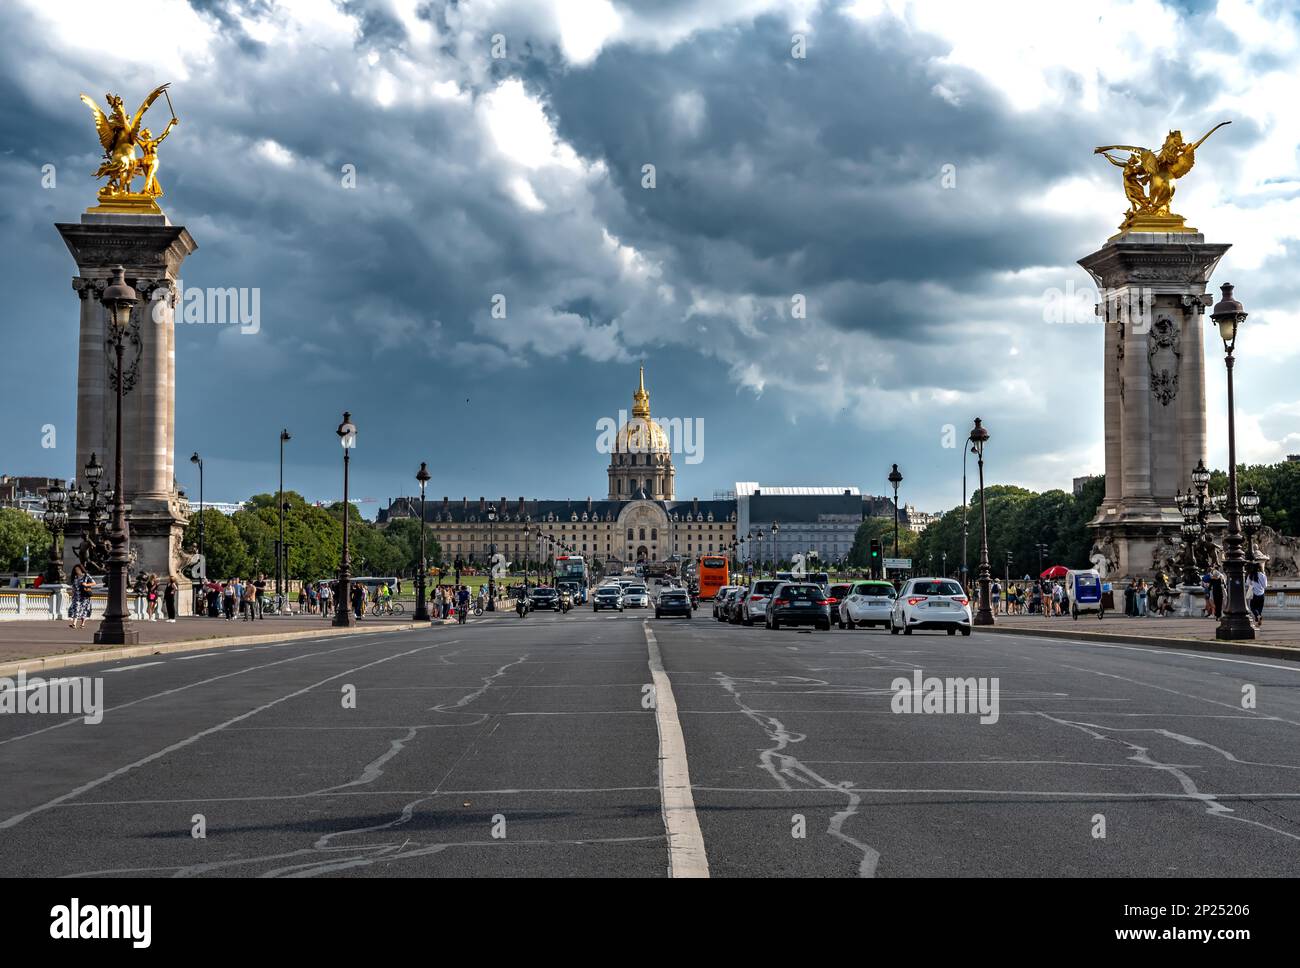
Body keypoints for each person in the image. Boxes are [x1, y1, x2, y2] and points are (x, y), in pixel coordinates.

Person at [68, 564, 95, 630]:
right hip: (76, 596)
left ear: (81, 569)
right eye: (75, 570)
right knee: (76, 608)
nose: (77, 571)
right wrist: (72, 594)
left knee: (84, 610)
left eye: (78, 569)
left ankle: (82, 624)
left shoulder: (86, 576)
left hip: (84, 596)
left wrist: (86, 584)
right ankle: (74, 624)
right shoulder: (75, 577)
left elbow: (94, 583)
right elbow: (74, 587)